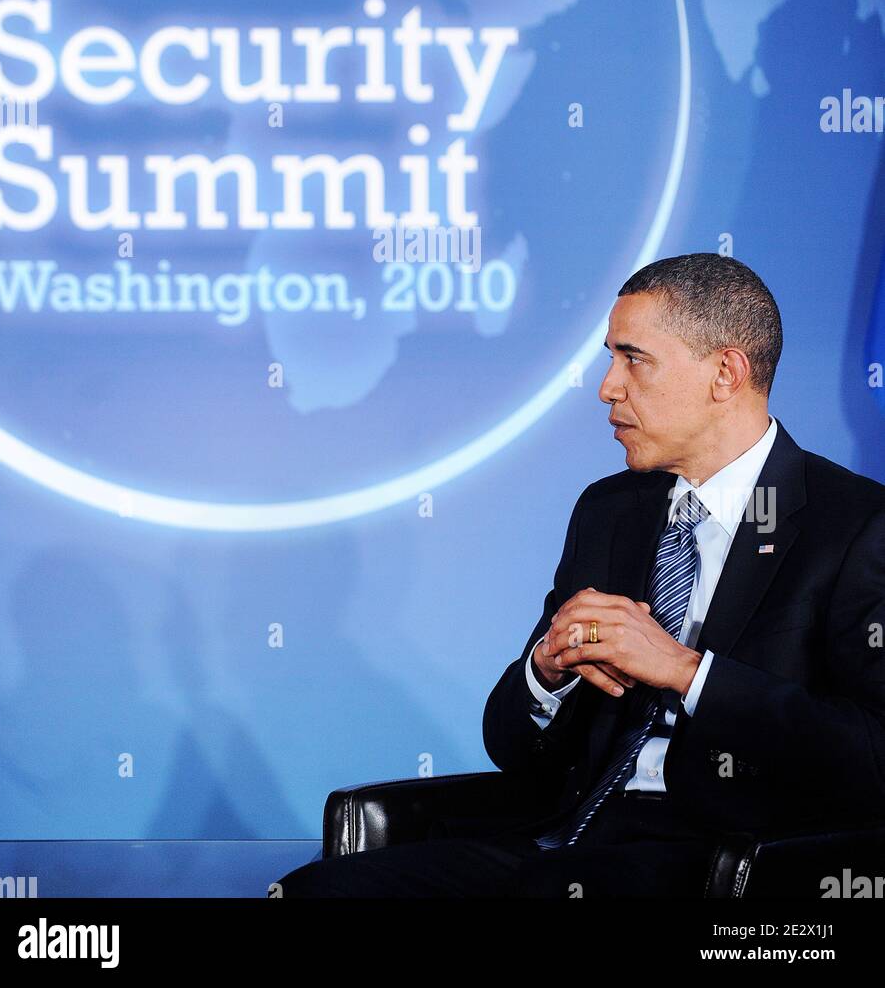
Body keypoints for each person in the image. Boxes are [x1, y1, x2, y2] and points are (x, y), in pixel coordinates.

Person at [277, 253, 885, 896]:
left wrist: (686, 671)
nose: (607, 386)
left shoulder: (854, 526)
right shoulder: (611, 509)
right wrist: (546, 673)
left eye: (634, 359)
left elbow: (873, 754)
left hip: (721, 859)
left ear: (725, 373)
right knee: (318, 892)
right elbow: (510, 744)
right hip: (565, 837)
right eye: (609, 358)